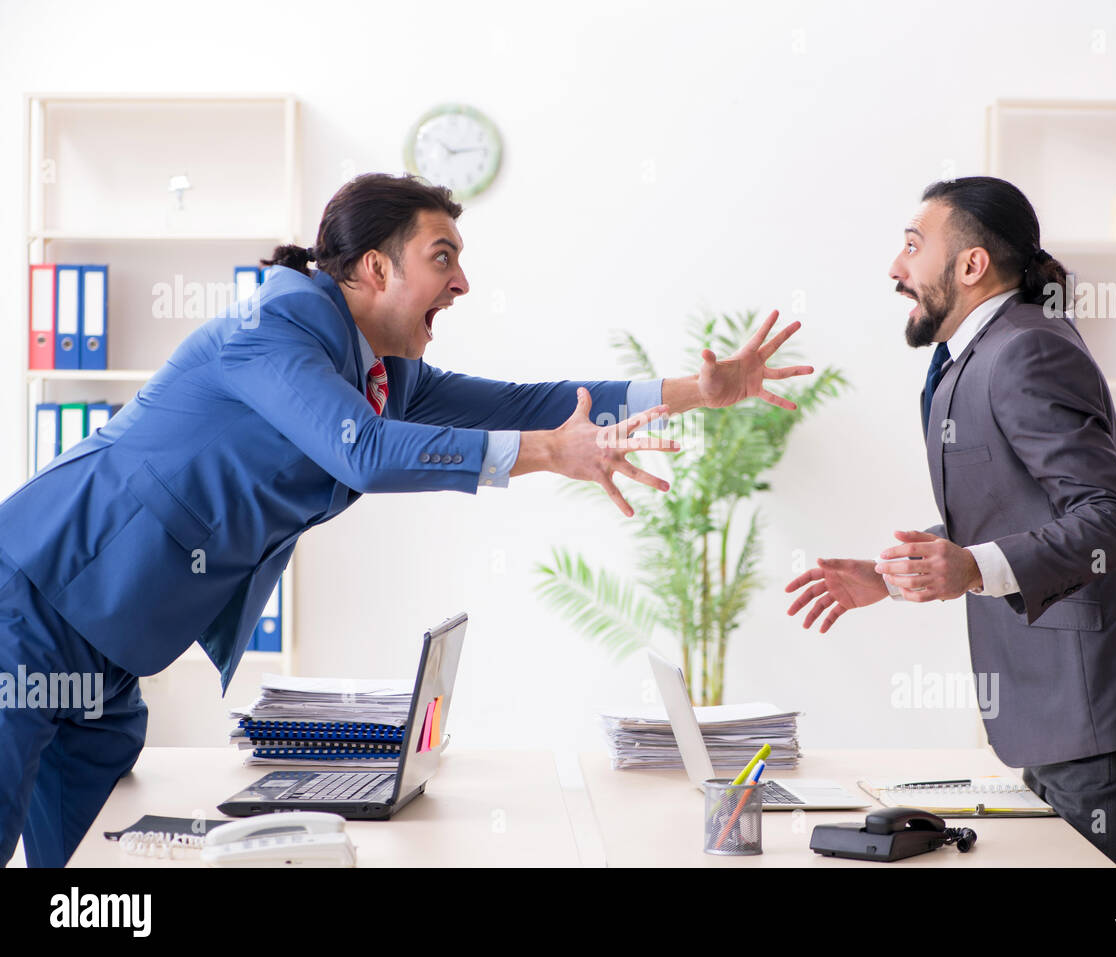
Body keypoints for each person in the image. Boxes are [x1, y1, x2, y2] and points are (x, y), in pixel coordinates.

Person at [0, 172, 813, 866]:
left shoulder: (384, 372)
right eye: (443, 258)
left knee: (84, 865)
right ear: (376, 267)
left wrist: (697, 393)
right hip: (31, 602)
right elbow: (363, 450)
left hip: (107, 649)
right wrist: (548, 454)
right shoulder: (274, 328)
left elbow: (531, 402)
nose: (462, 284)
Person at [784, 176, 1116, 867]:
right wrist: (897, 573)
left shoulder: (1027, 350)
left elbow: (1113, 519)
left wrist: (972, 567)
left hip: (1096, 716)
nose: (895, 267)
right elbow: (1016, 507)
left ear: (972, 265)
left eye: (913, 246)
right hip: (1054, 714)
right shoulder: (971, 358)